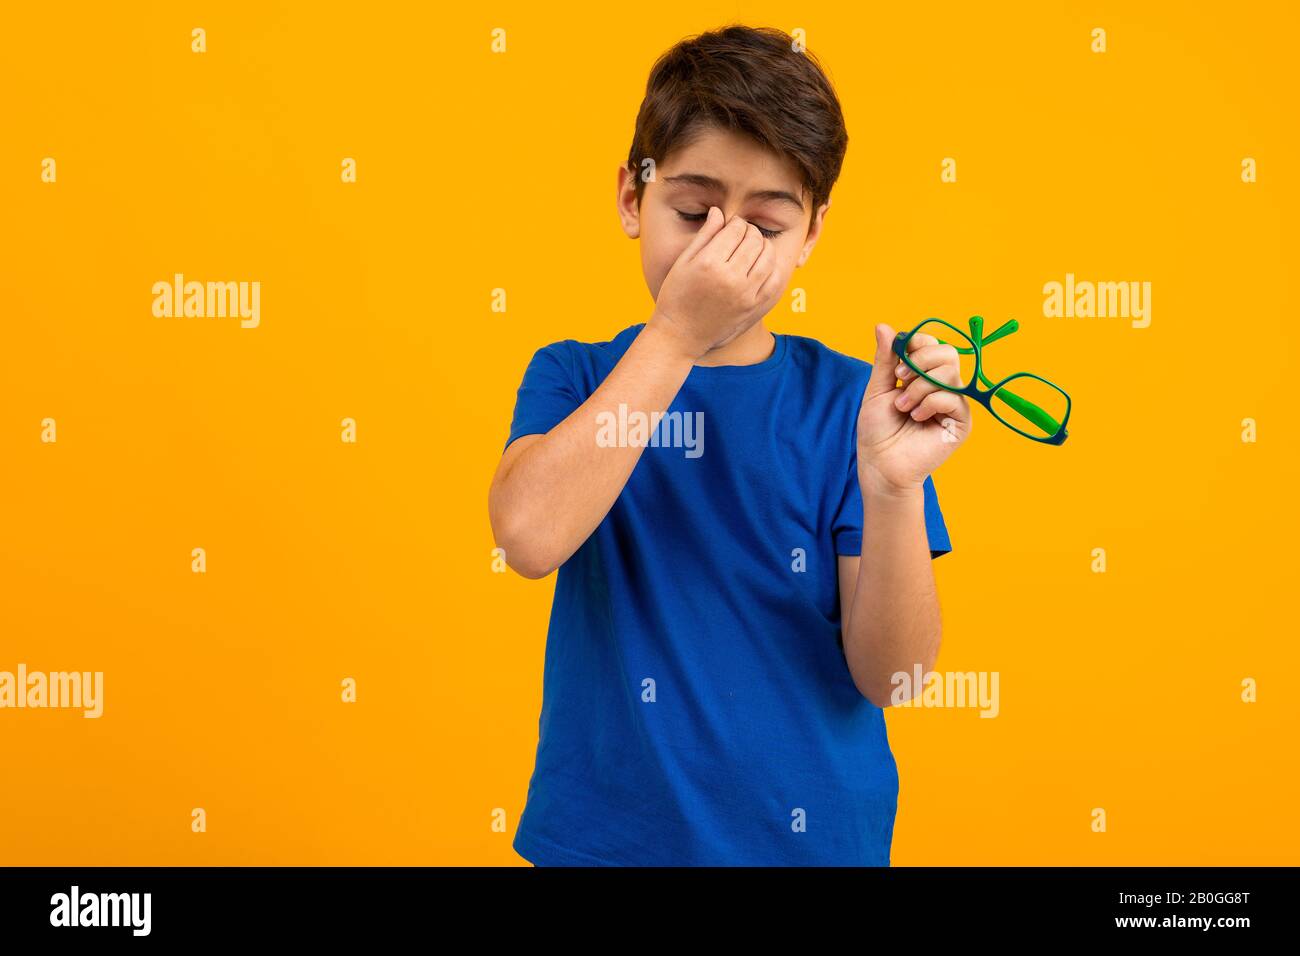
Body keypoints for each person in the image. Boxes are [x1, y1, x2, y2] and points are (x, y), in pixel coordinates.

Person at [488, 23, 972, 866]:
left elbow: (893, 680)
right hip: (606, 847)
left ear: (814, 234)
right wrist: (675, 334)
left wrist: (891, 488)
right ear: (632, 199)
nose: (723, 252)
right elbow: (527, 538)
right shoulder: (574, 378)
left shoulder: (850, 409)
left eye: (765, 227)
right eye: (693, 212)